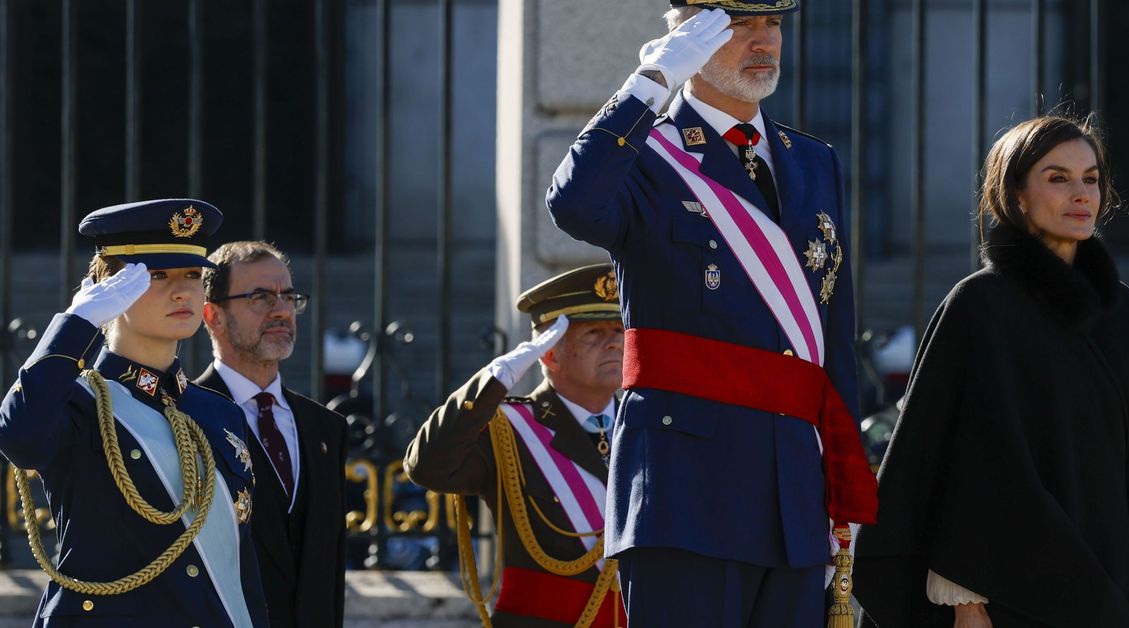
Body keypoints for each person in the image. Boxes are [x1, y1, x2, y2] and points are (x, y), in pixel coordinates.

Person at [545, 2, 878, 626]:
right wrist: (648, 85)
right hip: (686, 492)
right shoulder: (644, 154)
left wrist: (841, 486)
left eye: (772, 24)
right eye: (736, 25)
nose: (763, 41)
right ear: (686, 38)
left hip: (793, 496)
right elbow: (574, 204)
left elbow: (830, 330)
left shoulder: (812, 160)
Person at [853, 115, 1129, 628]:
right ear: (1015, 195)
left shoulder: (1120, 312)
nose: (1081, 193)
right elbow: (950, 460)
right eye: (1058, 178)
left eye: (1091, 177)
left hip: (1112, 583)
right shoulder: (977, 306)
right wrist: (963, 598)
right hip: (1004, 592)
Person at [0, 199, 269, 626]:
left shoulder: (219, 413)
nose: (181, 290)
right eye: (157, 276)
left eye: (193, 276)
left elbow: (241, 569)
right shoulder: (74, 401)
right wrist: (77, 322)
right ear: (108, 287)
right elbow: (20, 438)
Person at [404, 264, 626, 627]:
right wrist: (497, 378)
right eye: (594, 333)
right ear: (549, 353)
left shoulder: (648, 428)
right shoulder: (507, 429)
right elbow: (429, 466)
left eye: (619, 330)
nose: (614, 342)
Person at [195, 241, 349, 628]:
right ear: (213, 316)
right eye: (261, 297)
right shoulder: (184, 419)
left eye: (288, 296)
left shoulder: (326, 428)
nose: (282, 310)